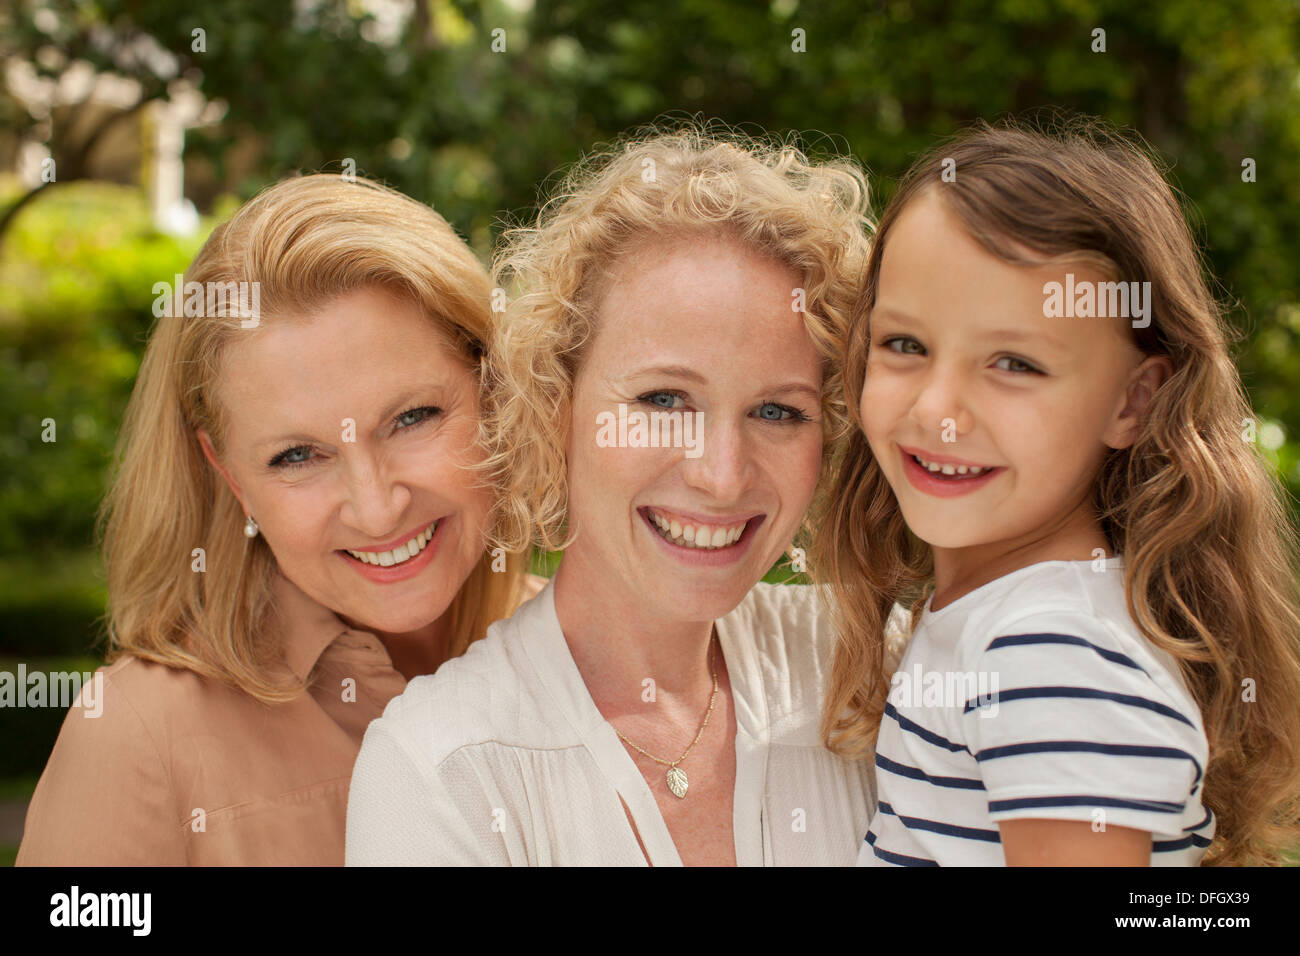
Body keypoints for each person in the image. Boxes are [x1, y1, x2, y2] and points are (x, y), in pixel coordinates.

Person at [347, 124, 877, 865]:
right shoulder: (441, 769)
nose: (721, 474)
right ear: (554, 403)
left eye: (778, 411)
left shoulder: (873, 670)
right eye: (664, 400)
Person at [813, 117, 1300, 866]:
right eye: (905, 345)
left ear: (1132, 403)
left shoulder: (1046, 651)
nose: (937, 410)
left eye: (1014, 364)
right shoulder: (1003, 623)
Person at [17, 174, 539, 865]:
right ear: (228, 474)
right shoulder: (136, 738)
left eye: (412, 418)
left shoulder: (593, 657)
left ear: (495, 390)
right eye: (298, 456)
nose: (377, 505)